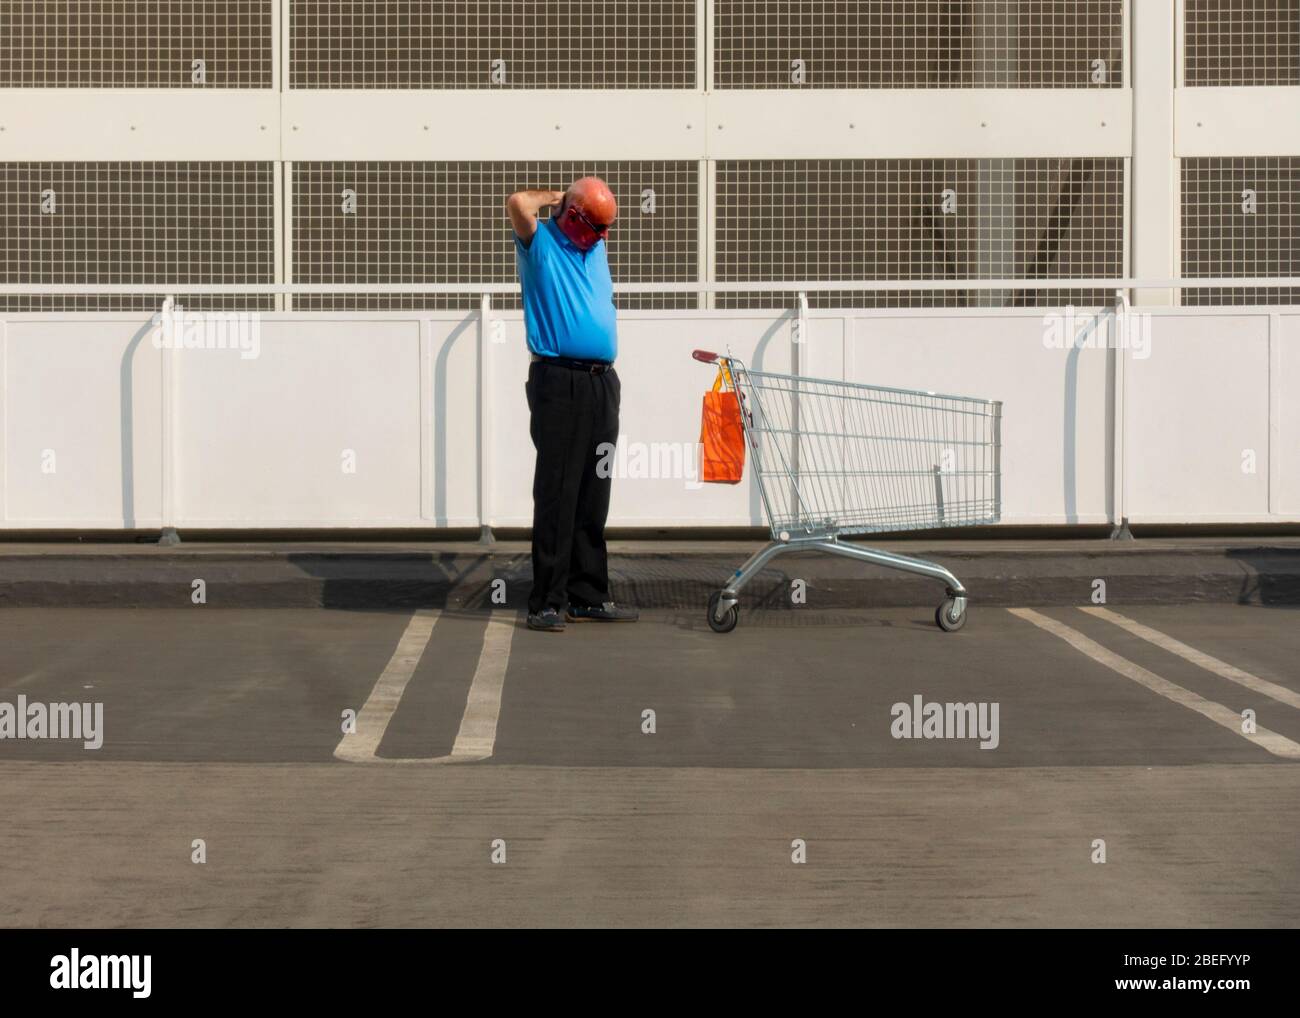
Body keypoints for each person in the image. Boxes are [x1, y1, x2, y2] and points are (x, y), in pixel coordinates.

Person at [506, 177, 640, 632]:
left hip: (602, 383)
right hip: (558, 380)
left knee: (592, 491)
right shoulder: (540, 243)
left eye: (608, 228)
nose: (604, 237)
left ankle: (588, 594)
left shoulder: (595, 246)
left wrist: (591, 222)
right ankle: (546, 600)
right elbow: (517, 204)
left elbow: (596, 230)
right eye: (597, 226)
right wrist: (555, 199)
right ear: (573, 214)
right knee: (558, 492)